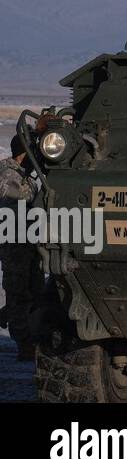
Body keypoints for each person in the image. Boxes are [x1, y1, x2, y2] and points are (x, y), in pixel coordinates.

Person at [0, 138, 43, 361]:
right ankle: (24, 345)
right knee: (18, 295)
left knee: (34, 292)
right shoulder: (9, 176)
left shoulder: (24, 176)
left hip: (27, 246)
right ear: (23, 153)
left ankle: (12, 319)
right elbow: (12, 216)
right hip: (15, 246)